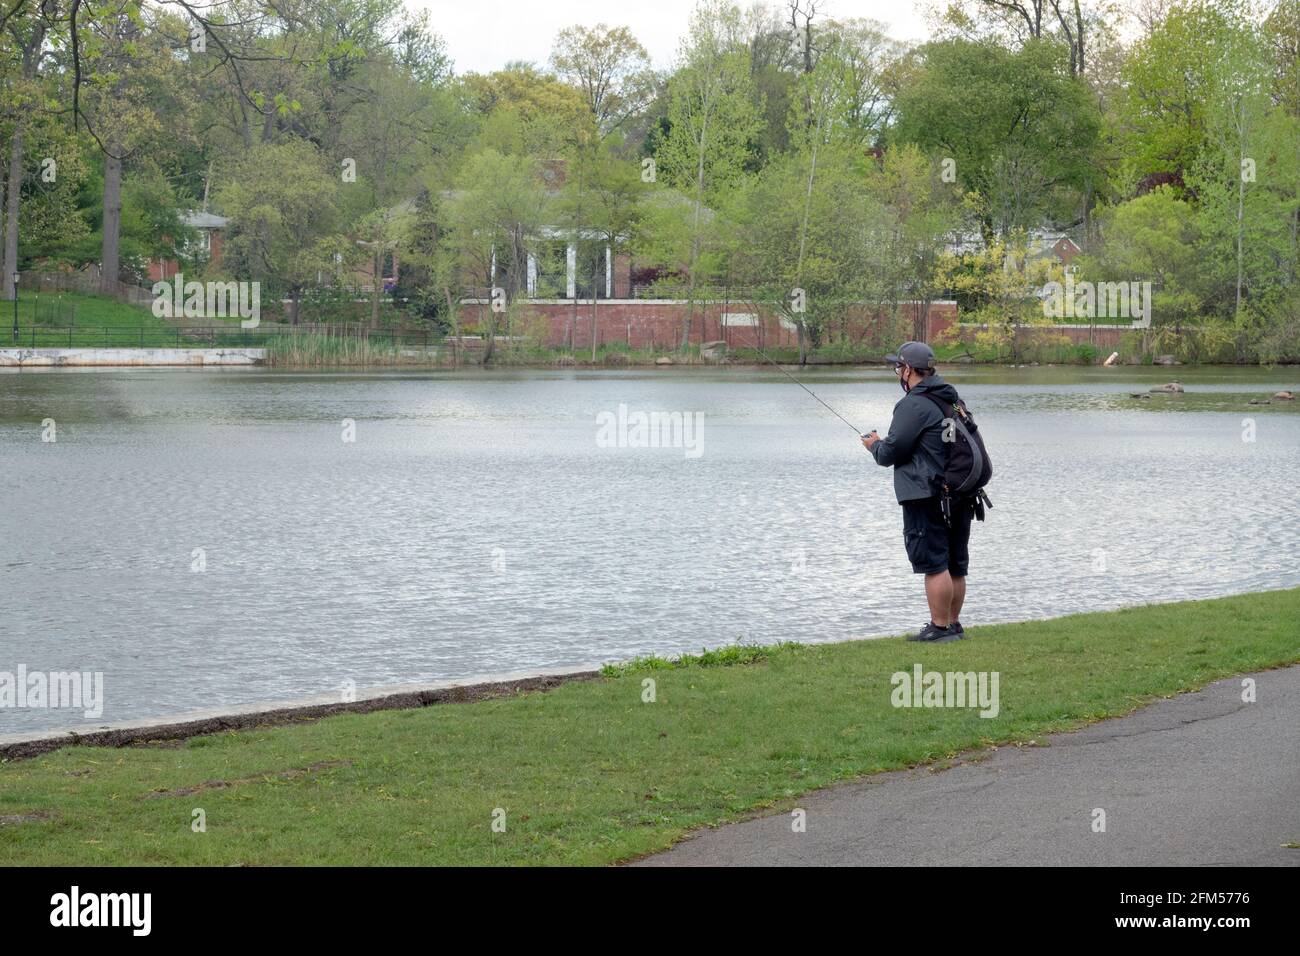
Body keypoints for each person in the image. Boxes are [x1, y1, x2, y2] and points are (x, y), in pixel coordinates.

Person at [862, 341, 973, 644]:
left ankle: (939, 629)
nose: (898, 372)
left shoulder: (913, 404)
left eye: (898, 367)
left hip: (927, 494)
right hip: (960, 492)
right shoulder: (951, 399)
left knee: (934, 563)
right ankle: (953, 625)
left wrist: (874, 444)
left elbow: (890, 453)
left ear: (909, 369)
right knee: (955, 563)